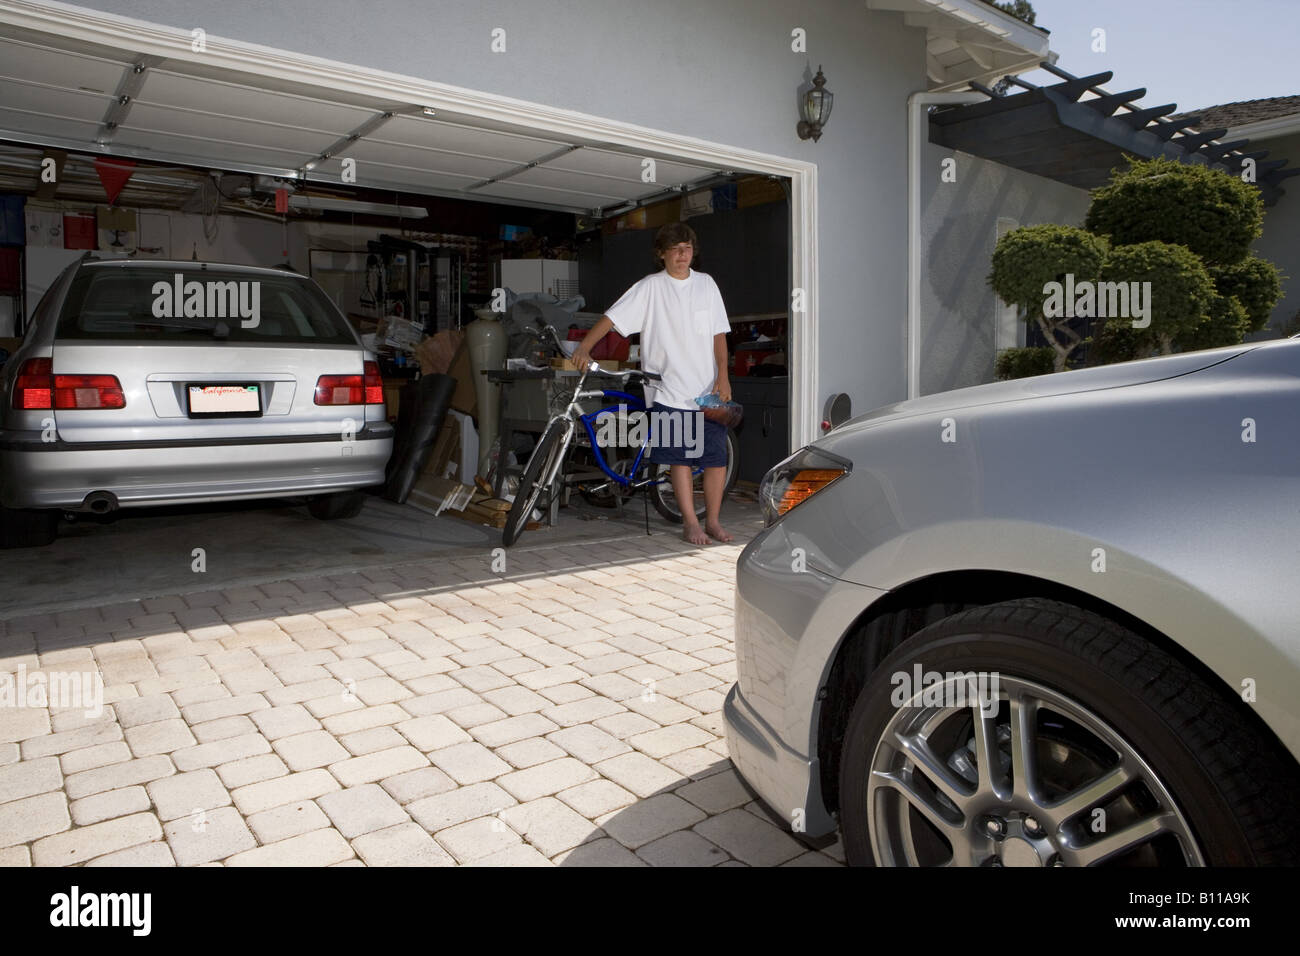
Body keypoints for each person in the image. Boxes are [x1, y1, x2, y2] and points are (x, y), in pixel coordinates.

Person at [573, 222, 733, 545]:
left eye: (687, 248)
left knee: (716, 459)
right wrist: (584, 347)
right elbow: (612, 318)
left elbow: (719, 335)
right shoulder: (650, 287)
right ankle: (690, 523)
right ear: (661, 254)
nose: (681, 254)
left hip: (709, 391)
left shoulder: (707, 285)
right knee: (679, 458)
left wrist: (723, 375)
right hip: (668, 389)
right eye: (674, 249)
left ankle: (713, 521)